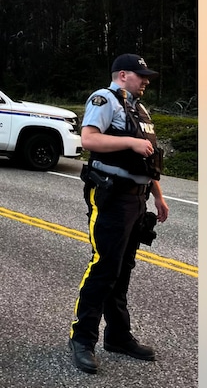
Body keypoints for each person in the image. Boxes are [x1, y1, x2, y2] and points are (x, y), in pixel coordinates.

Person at [68, 53, 171, 374]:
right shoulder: (104, 100)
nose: (147, 80)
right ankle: (82, 339)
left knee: (123, 269)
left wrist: (158, 197)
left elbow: (147, 159)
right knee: (104, 267)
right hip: (110, 196)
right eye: (141, 75)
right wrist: (129, 142)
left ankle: (118, 335)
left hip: (136, 199)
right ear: (122, 74)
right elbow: (89, 139)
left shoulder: (138, 109)